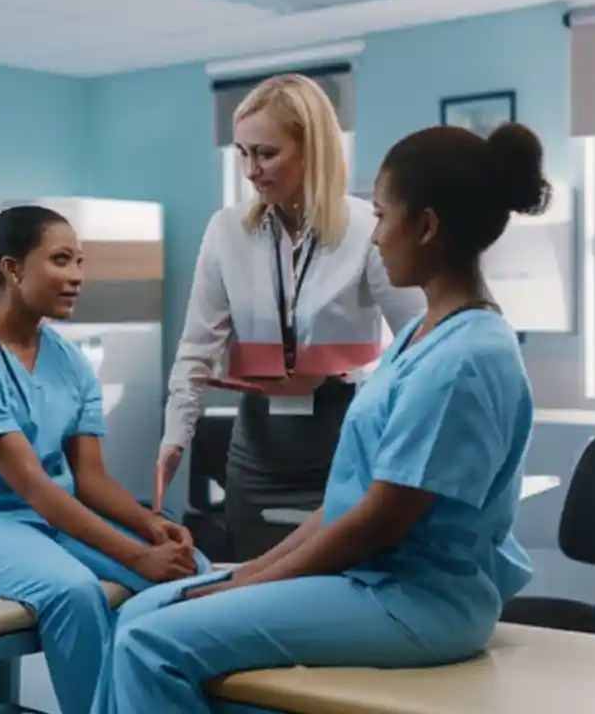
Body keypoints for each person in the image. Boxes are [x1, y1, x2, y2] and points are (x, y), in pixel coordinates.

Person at [92, 122, 548, 714]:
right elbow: (346, 504)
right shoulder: (419, 332)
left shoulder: (465, 358)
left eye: (383, 216)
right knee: (137, 612)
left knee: (151, 642)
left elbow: (377, 524)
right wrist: (246, 572)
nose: (376, 236)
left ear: (428, 226)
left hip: (418, 602)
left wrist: (248, 585)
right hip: (374, 582)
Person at [0, 205, 214, 714]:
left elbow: (91, 479)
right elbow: (34, 486)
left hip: (55, 517)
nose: (77, 276)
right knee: (73, 592)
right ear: (12, 269)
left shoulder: (71, 362)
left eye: (80, 261)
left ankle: (142, 696)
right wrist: (134, 555)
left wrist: (150, 525)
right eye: (61, 260)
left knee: (195, 573)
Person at [154, 74, 425, 560]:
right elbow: (197, 346)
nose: (251, 170)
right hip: (257, 452)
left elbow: (422, 345)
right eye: (242, 153)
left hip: (344, 444)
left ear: (311, 149)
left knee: (331, 591)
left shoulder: (366, 228)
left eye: (266, 153)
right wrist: (176, 435)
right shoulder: (227, 231)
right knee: (253, 587)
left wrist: (344, 374)